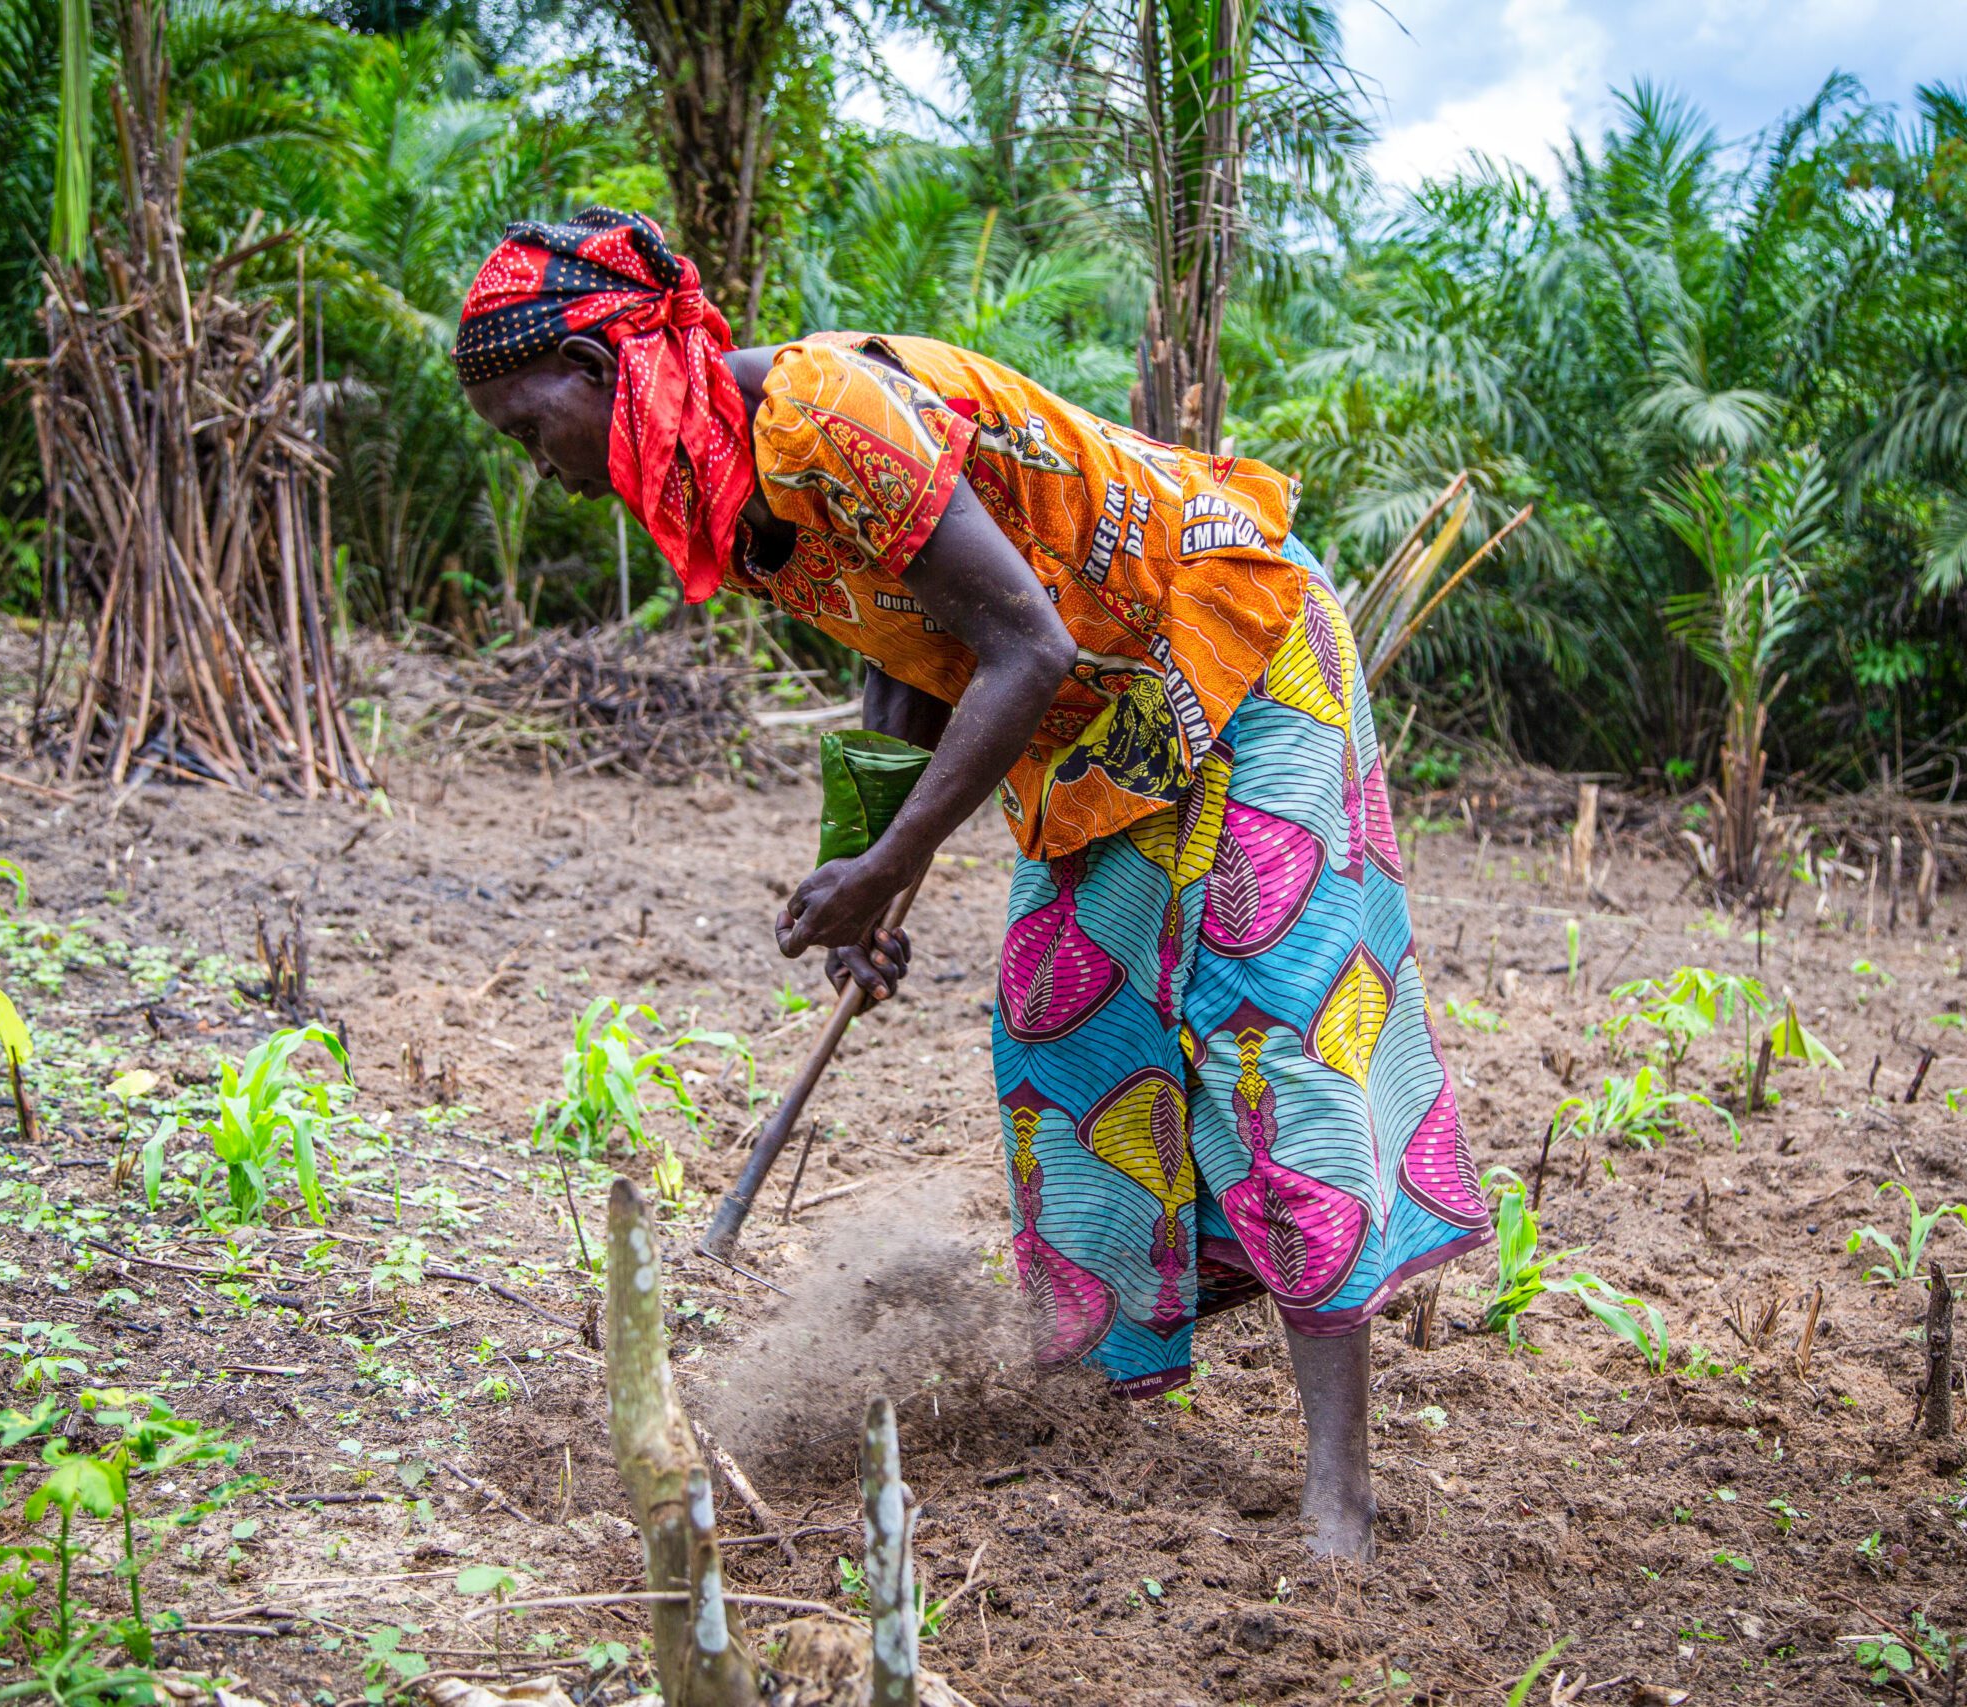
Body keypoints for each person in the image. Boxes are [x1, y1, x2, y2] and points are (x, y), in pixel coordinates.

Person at [453, 207, 1489, 1559]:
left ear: (600, 368)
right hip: (1100, 716)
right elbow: (906, 649)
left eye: (533, 430)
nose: (543, 469)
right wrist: (867, 876)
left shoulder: (823, 416)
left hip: (1230, 643)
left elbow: (1024, 646)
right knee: (1070, 1031)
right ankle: (1094, 1392)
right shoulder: (733, 479)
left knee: (1268, 1030)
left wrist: (895, 861)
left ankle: (1340, 1493)